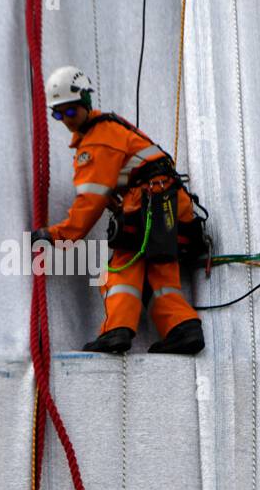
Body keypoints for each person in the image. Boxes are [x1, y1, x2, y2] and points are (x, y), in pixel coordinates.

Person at [31, 66, 206, 355]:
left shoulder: (98, 141)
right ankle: (184, 329)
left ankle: (117, 331)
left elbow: (91, 202)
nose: (65, 121)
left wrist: (56, 236)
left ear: (86, 103)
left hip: (146, 205)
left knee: (121, 268)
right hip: (169, 206)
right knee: (162, 274)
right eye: (58, 114)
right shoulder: (112, 127)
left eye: (70, 112)